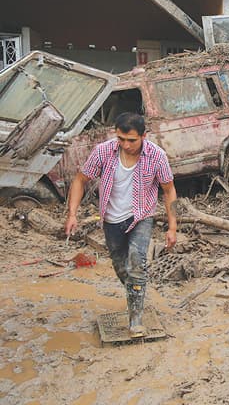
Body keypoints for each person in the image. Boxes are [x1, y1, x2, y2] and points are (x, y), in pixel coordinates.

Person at [64, 112, 177, 338]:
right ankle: (136, 293)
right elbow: (80, 179)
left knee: (137, 264)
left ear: (144, 136)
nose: (126, 145)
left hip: (141, 217)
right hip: (111, 219)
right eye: (121, 139)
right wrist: (72, 213)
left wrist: (172, 227)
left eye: (132, 140)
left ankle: (136, 319)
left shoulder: (156, 156)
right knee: (120, 267)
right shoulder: (103, 151)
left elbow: (169, 190)